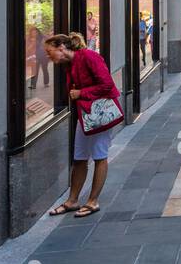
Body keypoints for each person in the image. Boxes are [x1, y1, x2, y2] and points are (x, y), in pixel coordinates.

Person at [45, 32, 123, 217]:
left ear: (61, 47)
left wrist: (81, 93)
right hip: (86, 116)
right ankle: (72, 201)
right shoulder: (69, 64)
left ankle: (92, 201)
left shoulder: (89, 56)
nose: (48, 57)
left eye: (50, 52)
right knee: (79, 157)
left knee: (99, 155)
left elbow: (107, 85)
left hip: (101, 115)